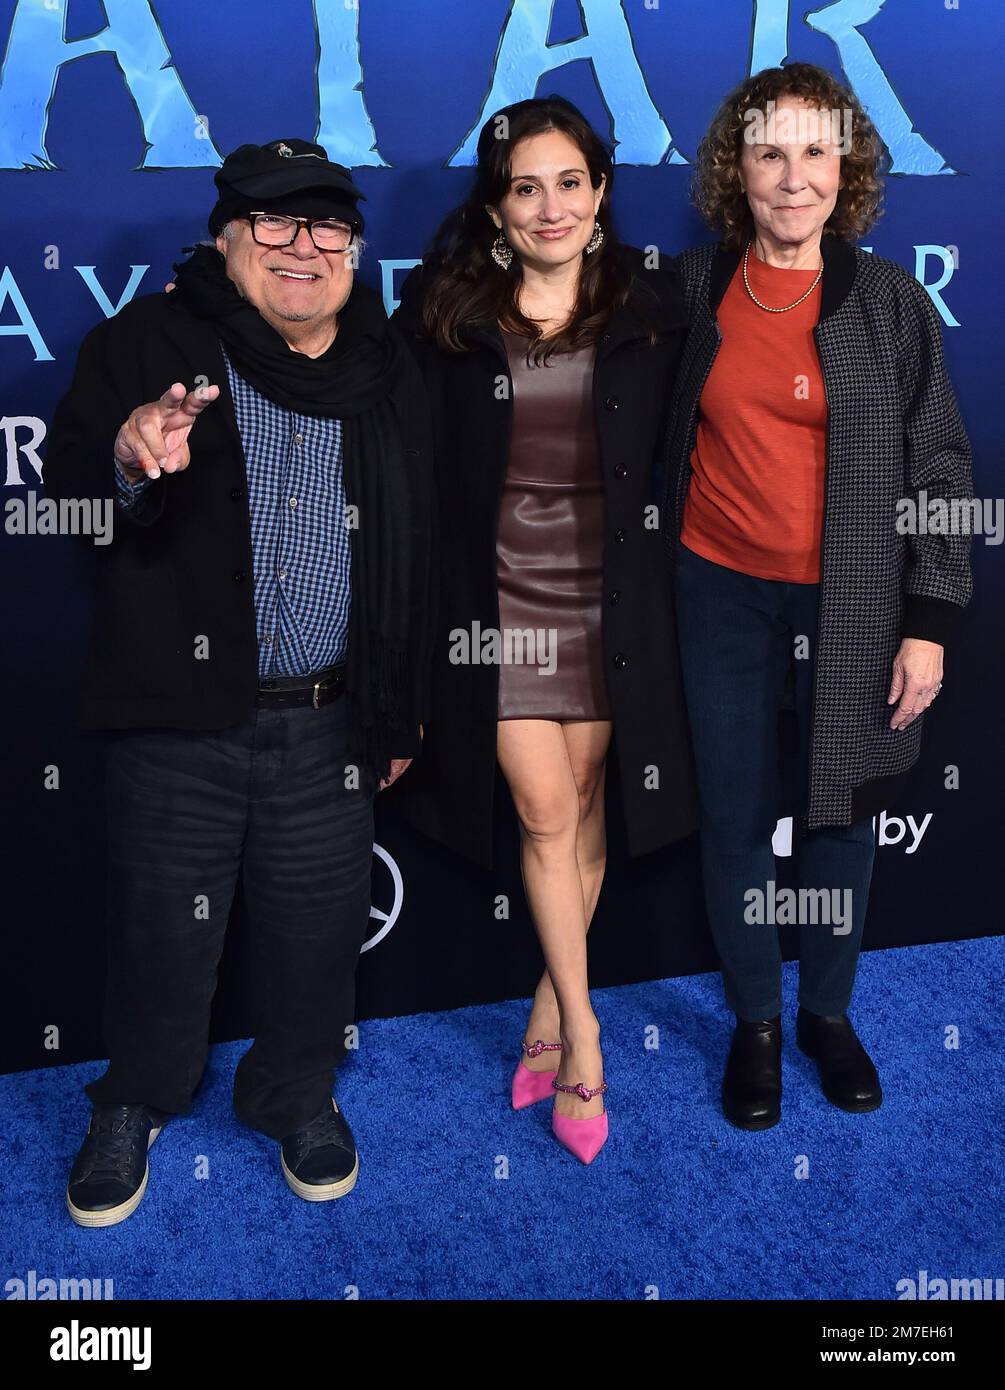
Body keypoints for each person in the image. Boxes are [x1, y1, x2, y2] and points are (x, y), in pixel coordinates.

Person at [43, 138, 434, 1224]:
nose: (302, 247)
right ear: (224, 239)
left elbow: (416, 549)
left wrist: (397, 704)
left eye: (327, 226)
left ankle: (294, 1092)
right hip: (179, 723)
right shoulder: (145, 342)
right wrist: (126, 458)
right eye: (273, 223)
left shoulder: (383, 360)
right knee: (164, 936)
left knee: (316, 937)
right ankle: (138, 1099)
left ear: (355, 249)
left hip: (329, 718)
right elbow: (73, 496)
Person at [664, 64, 973, 1129]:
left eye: (814, 151)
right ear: (734, 170)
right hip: (719, 589)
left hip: (854, 602)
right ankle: (755, 1020)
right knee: (738, 817)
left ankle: (826, 1014)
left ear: (847, 168)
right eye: (769, 153)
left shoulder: (887, 301)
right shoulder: (692, 287)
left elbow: (938, 465)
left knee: (839, 811)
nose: (793, 178)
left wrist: (929, 623)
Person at [390, 96, 698, 1164]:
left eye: (570, 182)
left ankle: (541, 1008)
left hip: (613, 605)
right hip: (496, 609)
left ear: (602, 194)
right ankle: (587, 1043)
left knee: (586, 818)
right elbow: (382, 451)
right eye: (526, 186)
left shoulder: (657, 309)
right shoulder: (443, 317)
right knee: (543, 805)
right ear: (496, 206)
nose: (550, 204)